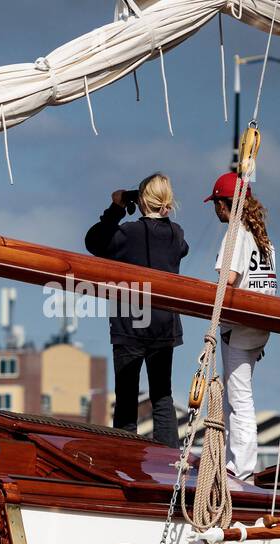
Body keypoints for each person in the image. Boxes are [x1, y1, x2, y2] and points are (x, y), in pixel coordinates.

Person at [85, 172, 190, 447]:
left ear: (142, 200)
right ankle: (169, 465)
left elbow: (94, 242)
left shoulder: (128, 233)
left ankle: (125, 459)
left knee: (127, 399)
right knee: (162, 396)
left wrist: (117, 207)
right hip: (164, 326)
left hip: (129, 327)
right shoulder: (176, 234)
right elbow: (183, 249)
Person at [206, 172, 279, 478]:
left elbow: (229, 280)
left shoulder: (236, 233)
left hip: (239, 328)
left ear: (225, 204)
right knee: (237, 395)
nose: (215, 210)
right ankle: (229, 460)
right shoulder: (263, 237)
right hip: (258, 326)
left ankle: (242, 468)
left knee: (239, 399)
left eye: (216, 203)